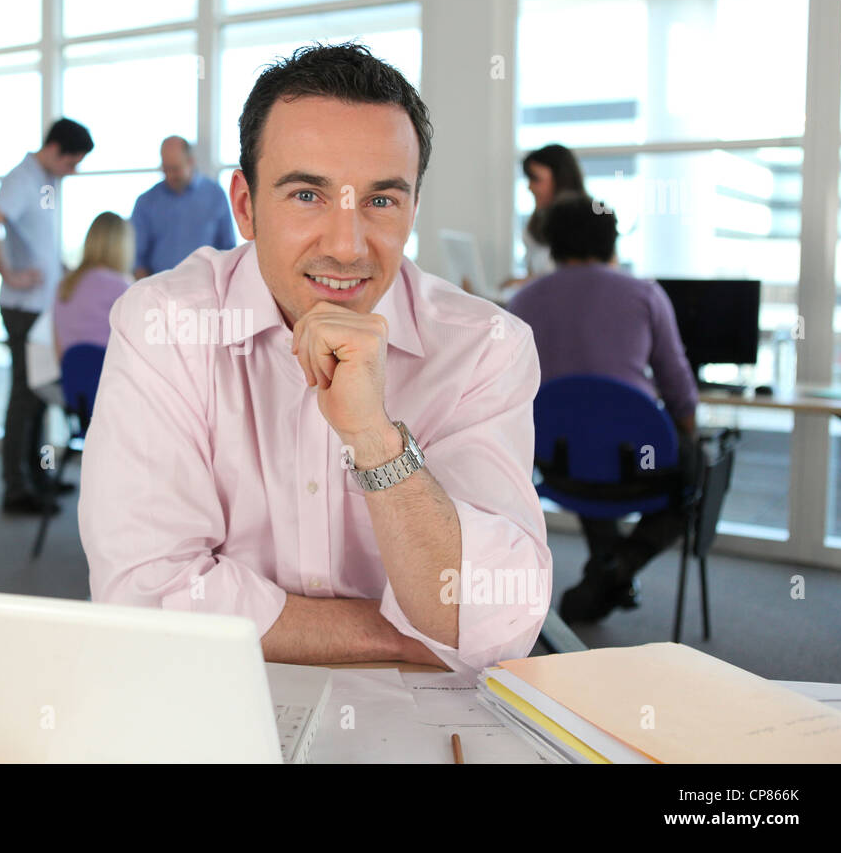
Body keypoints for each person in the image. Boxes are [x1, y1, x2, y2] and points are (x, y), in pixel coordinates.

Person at [79, 44, 550, 672]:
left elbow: (492, 622)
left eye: (382, 200)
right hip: (212, 704)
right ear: (244, 207)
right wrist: (393, 635)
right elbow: (143, 595)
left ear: (413, 206)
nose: (347, 246)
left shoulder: (487, 346)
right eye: (307, 195)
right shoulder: (166, 324)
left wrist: (376, 439)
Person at [506, 192, 698, 623]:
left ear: (551, 244)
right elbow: (678, 387)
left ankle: (604, 571)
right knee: (698, 474)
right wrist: (689, 435)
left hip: (557, 464)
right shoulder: (644, 294)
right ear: (612, 242)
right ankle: (618, 565)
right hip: (641, 465)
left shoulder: (523, 302)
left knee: (592, 447)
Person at [0, 118, 94, 515]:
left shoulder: (48, 183)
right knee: (25, 399)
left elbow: (42, 246)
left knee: (41, 396)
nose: (74, 170)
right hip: (21, 309)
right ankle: (16, 489)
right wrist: (8, 273)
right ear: (60, 151)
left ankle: (40, 477)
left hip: (42, 310)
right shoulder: (22, 179)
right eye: (74, 162)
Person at [130, 136, 236, 279]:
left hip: (208, 290)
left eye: (175, 169)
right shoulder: (146, 202)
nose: (170, 175)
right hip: (159, 292)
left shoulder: (215, 195)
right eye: (166, 169)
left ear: (191, 162)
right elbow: (137, 259)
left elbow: (229, 251)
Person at [501, 144, 586, 291]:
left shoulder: (590, 225)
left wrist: (528, 283)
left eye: (535, 179)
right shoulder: (534, 225)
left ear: (561, 179)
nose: (529, 187)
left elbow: (582, 281)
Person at [52, 211, 133, 361]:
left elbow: (59, 353)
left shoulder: (64, 286)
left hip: (71, 380)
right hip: (110, 381)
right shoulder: (122, 287)